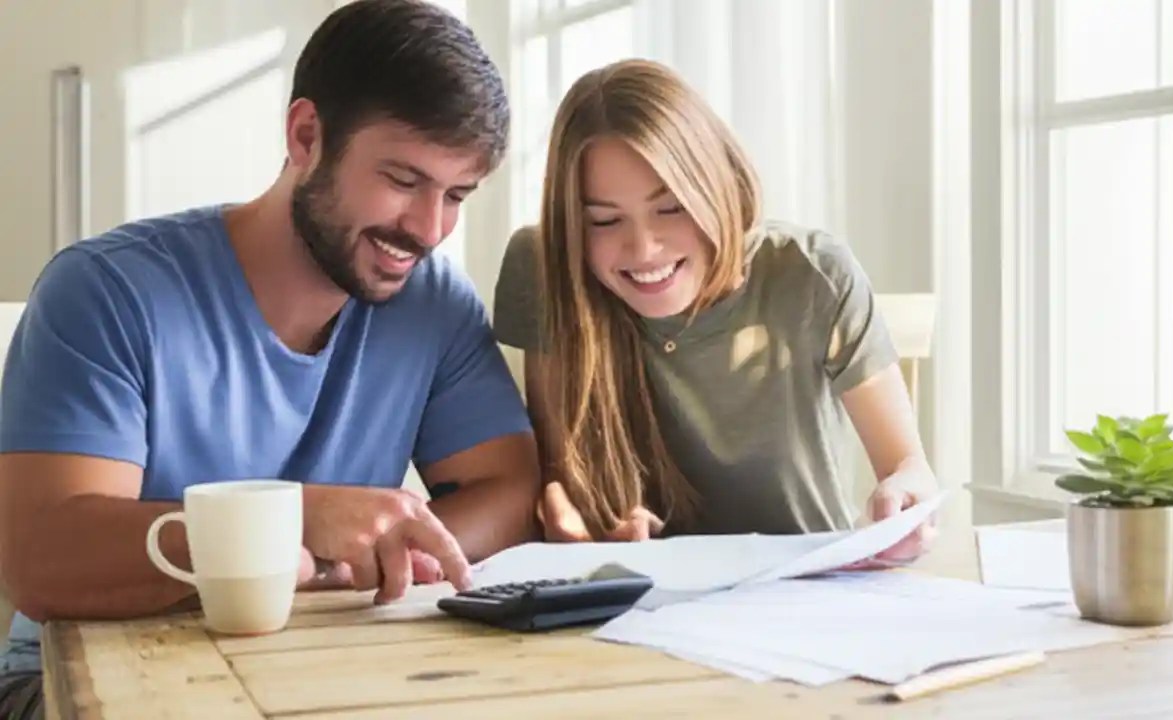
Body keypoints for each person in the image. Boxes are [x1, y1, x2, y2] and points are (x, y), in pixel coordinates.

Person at [0, 1, 540, 715]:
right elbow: (42, 557)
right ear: (306, 135)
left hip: (325, 668)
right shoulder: (107, 292)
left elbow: (509, 490)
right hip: (80, 683)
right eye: (404, 181)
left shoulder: (431, 304)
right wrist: (283, 526)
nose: (429, 229)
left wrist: (334, 561)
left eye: (458, 194)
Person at [494, 59, 939, 553]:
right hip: (632, 596)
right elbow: (561, 472)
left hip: (803, 588)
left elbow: (908, 467)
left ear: (716, 186)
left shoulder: (813, 273)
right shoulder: (544, 269)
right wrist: (582, 519)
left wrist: (904, 505)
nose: (643, 249)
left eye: (671, 208)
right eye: (604, 221)